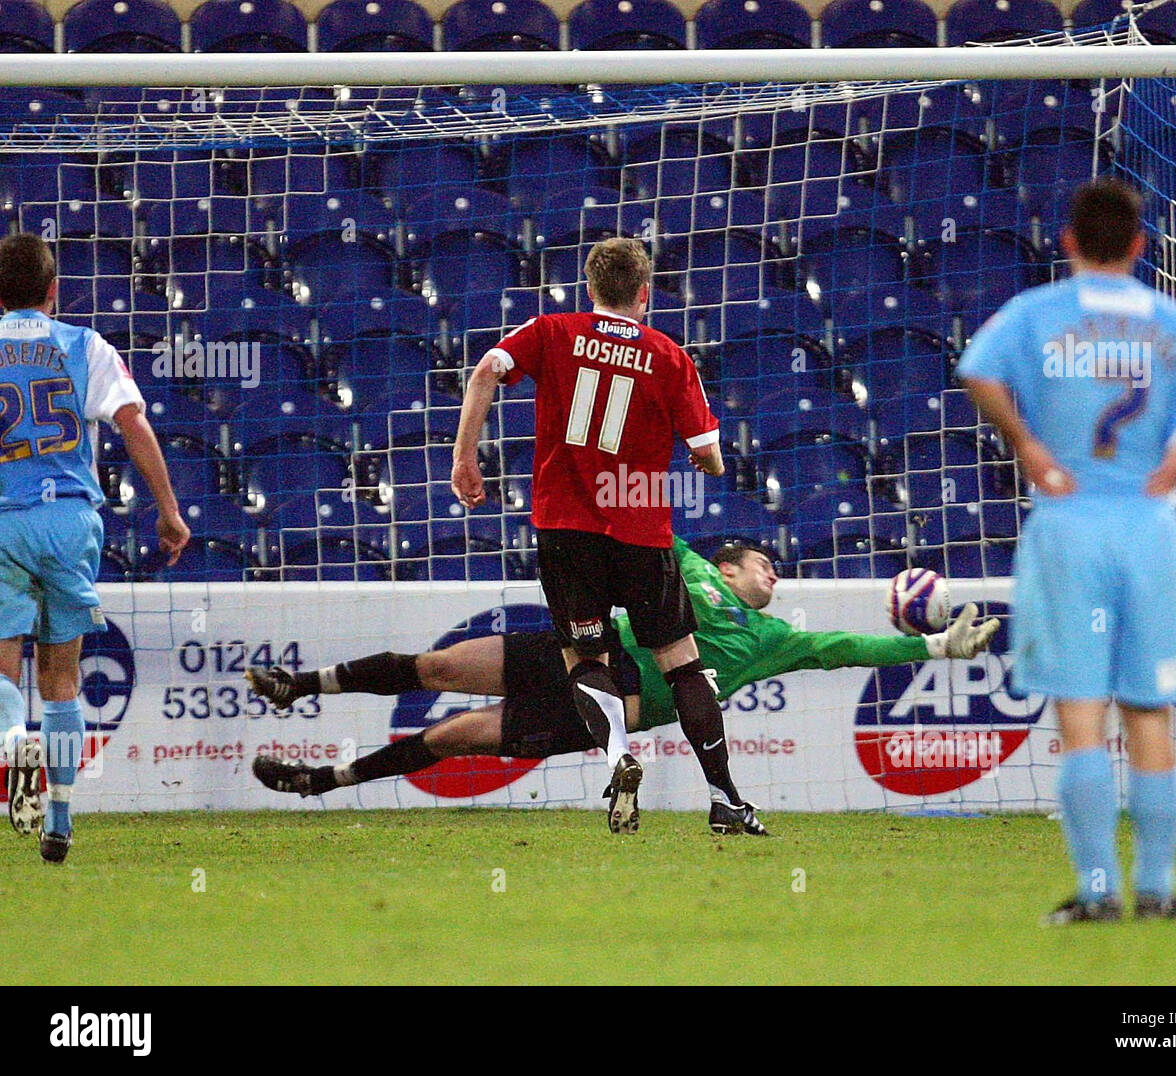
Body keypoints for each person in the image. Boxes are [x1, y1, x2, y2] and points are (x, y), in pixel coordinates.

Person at [957, 179, 1176, 923]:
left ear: (1067, 242)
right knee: (1149, 711)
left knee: (1080, 712)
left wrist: (1030, 444)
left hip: (1068, 524)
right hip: (1148, 529)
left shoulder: (1035, 314)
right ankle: (1160, 891)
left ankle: (1099, 891)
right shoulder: (1173, 320)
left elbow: (976, 369)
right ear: (1141, 246)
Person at [249, 537, 1001, 829]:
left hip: (601, 712)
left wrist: (932, 644)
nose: (775, 573)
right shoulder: (693, 566)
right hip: (575, 650)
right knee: (438, 667)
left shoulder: (776, 641)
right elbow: (636, 528)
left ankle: (321, 781)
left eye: (778, 569)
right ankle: (298, 685)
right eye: (763, 564)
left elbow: (847, 648)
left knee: (449, 736)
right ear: (730, 568)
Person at [446, 236, 749, 835]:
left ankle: (616, 759)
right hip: (639, 530)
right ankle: (725, 801)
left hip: (566, 528)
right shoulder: (668, 355)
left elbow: (486, 369)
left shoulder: (553, 331)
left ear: (589, 289)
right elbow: (710, 454)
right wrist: (703, 464)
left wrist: (464, 459)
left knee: (586, 656)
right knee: (682, 665)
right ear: (643, 294)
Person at [0, 233, 190, 863]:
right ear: (53, 292)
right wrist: (168, 512)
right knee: (60, 676)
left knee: (3, 669)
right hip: (70, 521)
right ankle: (59, 819)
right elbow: (134, 425)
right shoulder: (86, 346)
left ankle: (9, 740)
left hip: (2, 521)